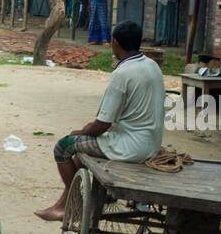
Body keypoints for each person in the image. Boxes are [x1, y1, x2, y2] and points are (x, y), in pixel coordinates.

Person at [35, 20, 163, 221]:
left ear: (115, 43)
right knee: (78, 154)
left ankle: (75, 200)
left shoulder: (122, 73)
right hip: (150, 142)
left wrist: (80, 132)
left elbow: (102, 124)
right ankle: (63, 204)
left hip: (129, 145)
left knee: (64, 146)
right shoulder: (152, 65)